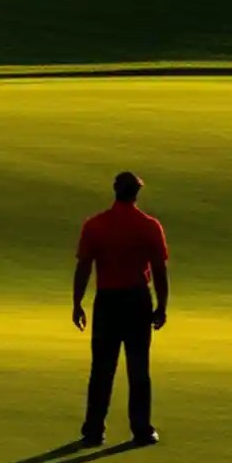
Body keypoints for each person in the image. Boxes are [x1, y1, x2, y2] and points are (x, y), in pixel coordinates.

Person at [71, 171, 169, 448]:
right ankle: (141, 429)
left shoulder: (95, 225)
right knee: (138, 368)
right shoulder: (149, 226)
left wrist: (77, 302)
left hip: (107, 301)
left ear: (115, 191)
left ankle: (93, 430)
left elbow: (83, 267)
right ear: (136, 194)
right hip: (137, 300)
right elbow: (160, 271)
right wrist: (162, 306)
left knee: (101, 368)